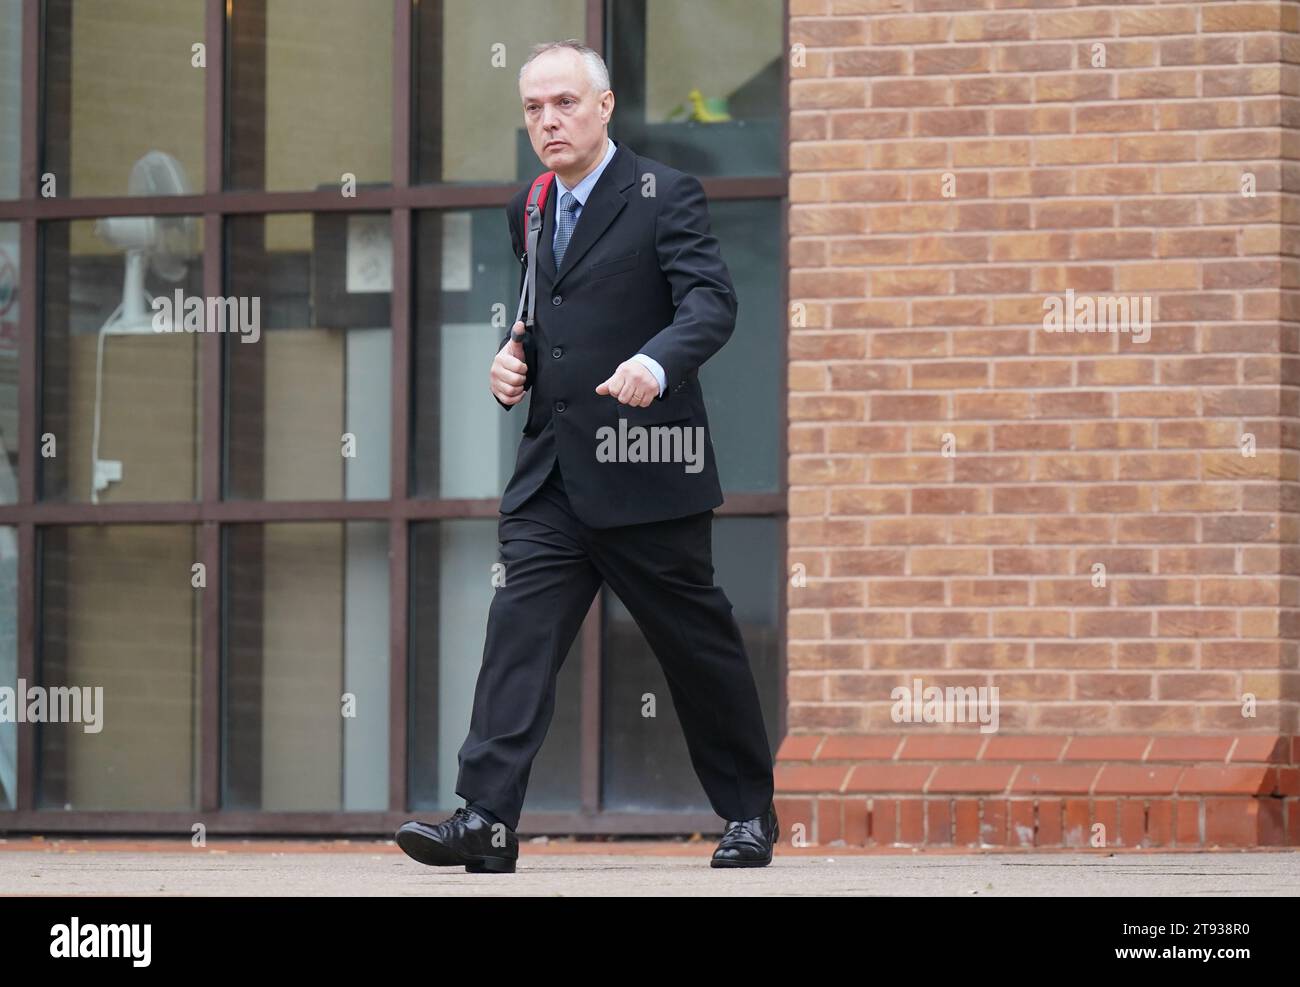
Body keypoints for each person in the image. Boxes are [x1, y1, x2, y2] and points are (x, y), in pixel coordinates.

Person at [395, 39, 777, 874]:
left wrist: (655, 362)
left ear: (604, 107)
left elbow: (711, 301)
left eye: (565, 102)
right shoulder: (530, 205)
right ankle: (485, 817)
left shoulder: (664, 195)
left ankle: (748, 812)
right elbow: (545, 316)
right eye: (534, 108)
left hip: (647, 465)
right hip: (552, 476)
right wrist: (511, 356)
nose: (548, 121)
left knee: (696, 647)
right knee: (518, 635)